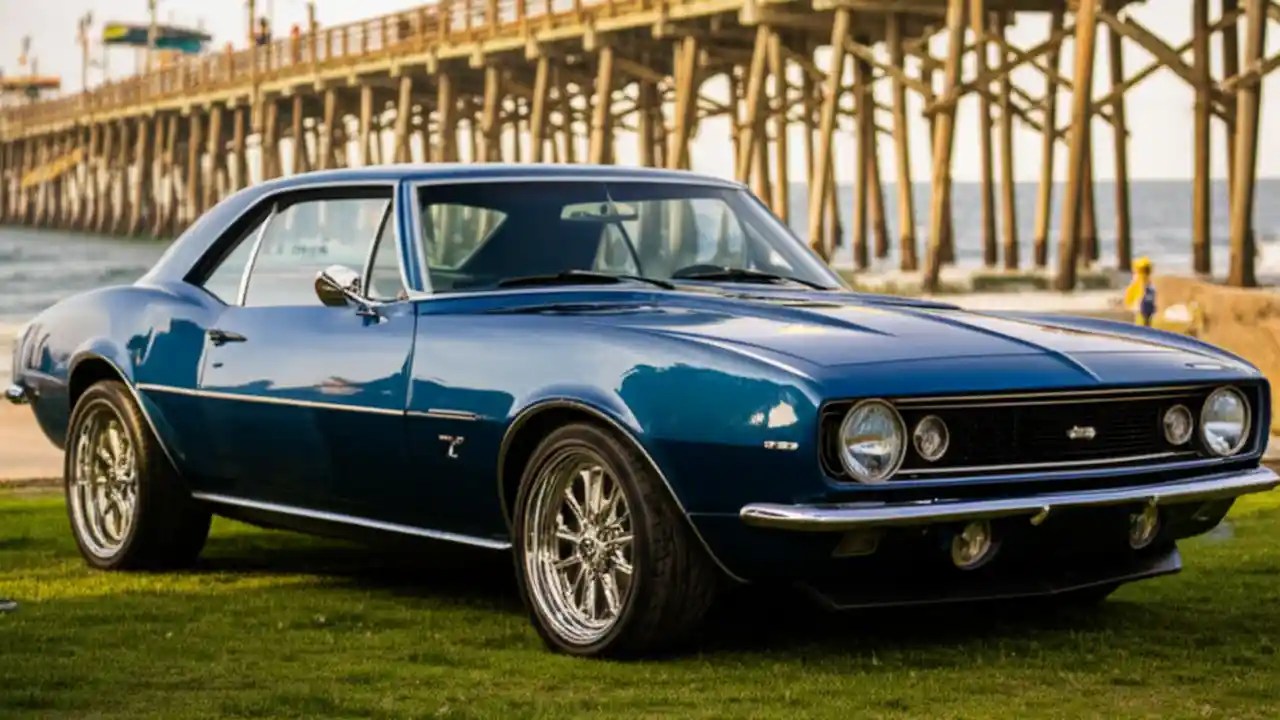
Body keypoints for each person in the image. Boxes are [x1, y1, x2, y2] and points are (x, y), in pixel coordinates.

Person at [1123, 256, 1157, 327]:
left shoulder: (1148, 286)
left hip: (1147, 312)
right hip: (1141, 312)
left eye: (1146, 271)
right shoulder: (1137, 285)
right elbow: (1128, 300)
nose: (1144, 274)